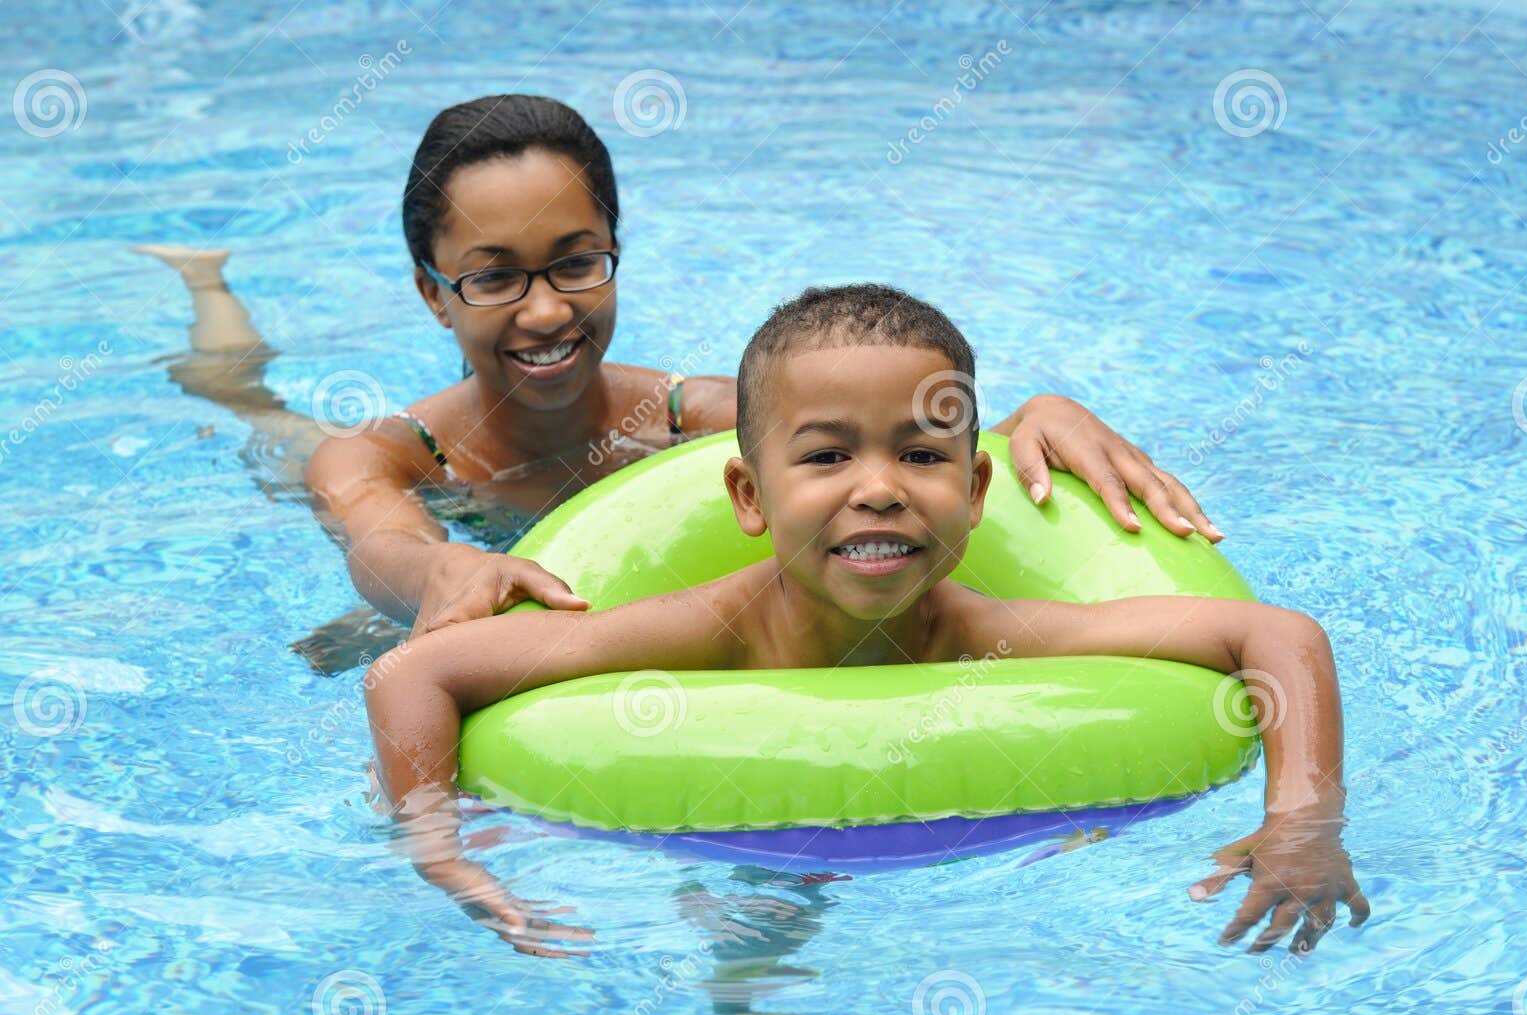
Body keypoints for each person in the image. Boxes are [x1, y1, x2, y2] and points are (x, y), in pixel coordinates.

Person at [364, 283, 1368, 959]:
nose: (879, 491)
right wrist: (438, 845)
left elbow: (1278, 635)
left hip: (904, 819)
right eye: (828, 457)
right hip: (722, 824)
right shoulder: (701, 631)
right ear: (748, 500)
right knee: (748, 959)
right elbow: (411, 676)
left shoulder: (986, 632)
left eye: (923, 457)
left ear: (978, 493)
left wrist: (1302, 823)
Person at [138, 94, 1223, 673]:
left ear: (615, 250)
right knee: (262, 418)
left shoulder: (676, 418)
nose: (548, 309)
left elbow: (866, 412)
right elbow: (382, 539)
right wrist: (434, 580)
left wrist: (1040, 409)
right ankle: (211, 297)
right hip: (454, 502)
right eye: (493, 279)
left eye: (577, 260)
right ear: (433, 296)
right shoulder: (385, 456)